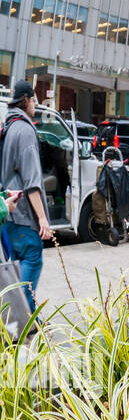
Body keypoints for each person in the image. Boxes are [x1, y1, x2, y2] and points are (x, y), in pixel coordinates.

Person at [0, 81, 54, 311]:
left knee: (14, 266)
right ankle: (25, 320)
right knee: (32, 258)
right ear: (28, 100)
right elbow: (32, 183)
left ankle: (21, 319)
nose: (35, 105)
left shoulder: (8, 126)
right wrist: (42, 218)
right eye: (34, 100)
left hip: (8, 212)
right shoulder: (25, 130)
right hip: (23, 215)